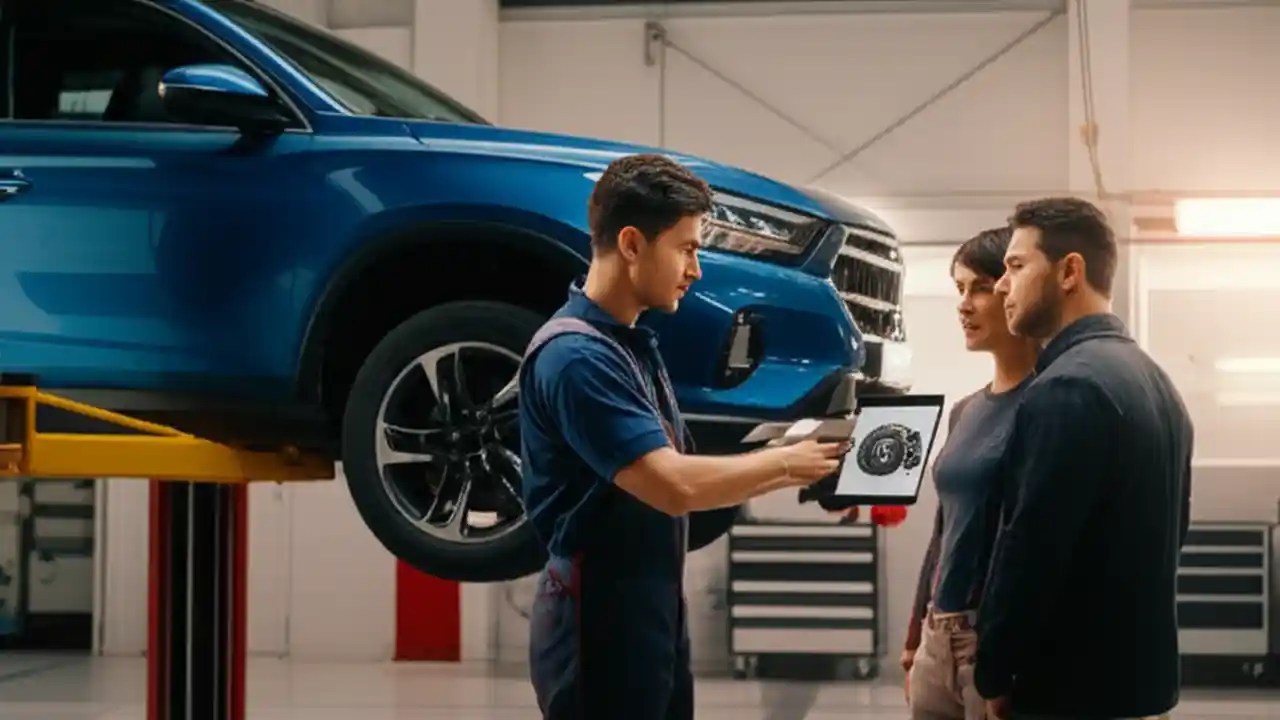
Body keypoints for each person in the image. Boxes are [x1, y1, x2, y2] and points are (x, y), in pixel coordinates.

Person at [517, 153, 848, 720]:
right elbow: (670, 485)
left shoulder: (628, 347)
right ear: (631, 243)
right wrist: (787, 464)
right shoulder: (576, 358)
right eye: (688, 248)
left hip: (648, 609)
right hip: (597, 619)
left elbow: (682, 482)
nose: (696, 269)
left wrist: (791, 456)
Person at [974, 197, 1194, 720]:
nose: (1002, 285)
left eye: (1015, 266)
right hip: (1137, 685)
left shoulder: (1066, 387)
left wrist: (995, 673)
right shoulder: (1155, 381)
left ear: (1069, 271)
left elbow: (1031, 548)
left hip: (1069, 691)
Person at [900, 227, 1039, 720]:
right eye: (959, 289)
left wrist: (1009, 656)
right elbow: (944, 530)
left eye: (980, 286)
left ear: (1015, 288)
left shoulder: (1049, 405)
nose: (965, 304)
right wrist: (917, 634)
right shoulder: (965, 411)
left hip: (991, 640)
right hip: (941, 633)